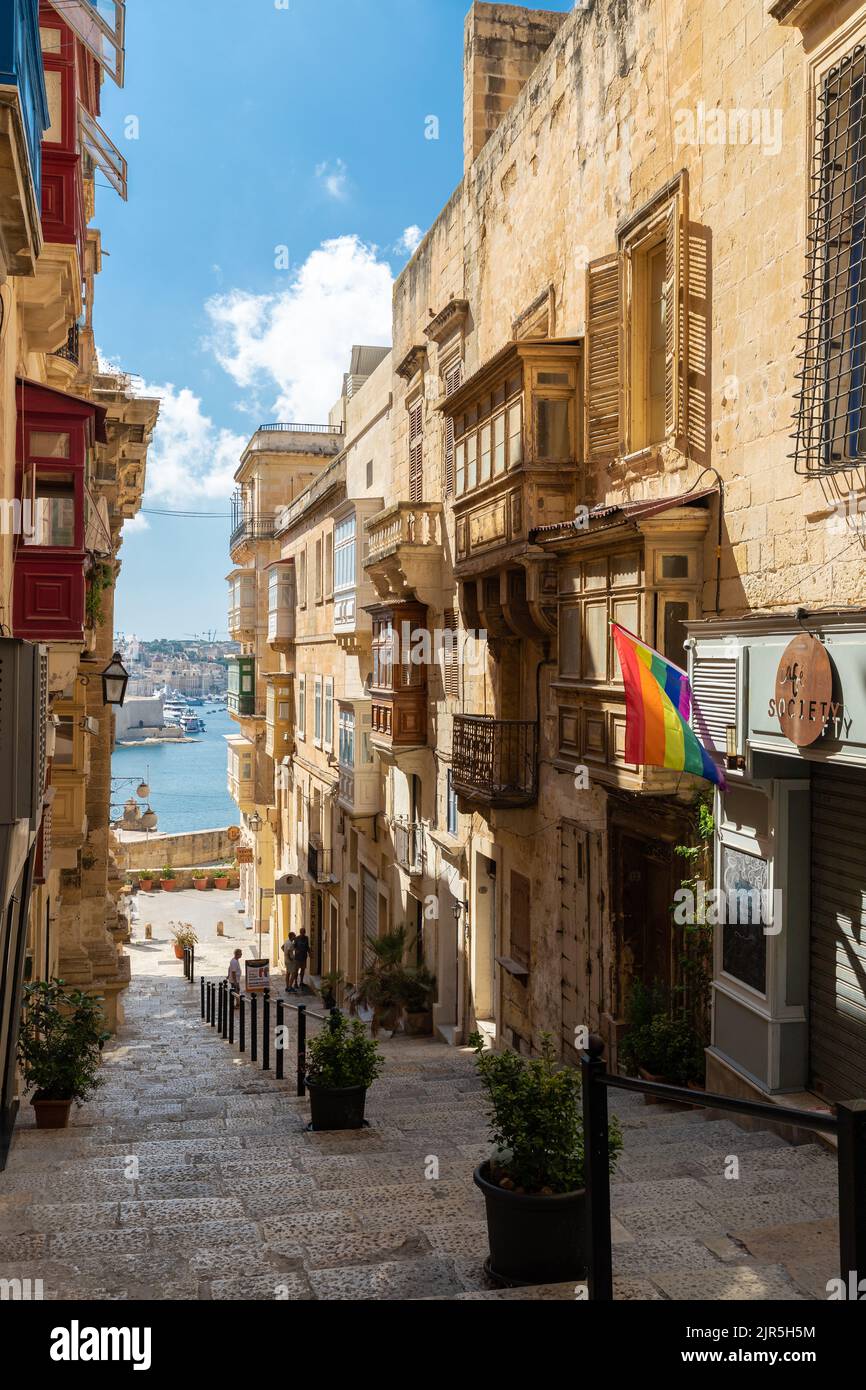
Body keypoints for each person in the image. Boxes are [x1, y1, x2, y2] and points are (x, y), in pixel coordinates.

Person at [293, 927, 310, 991]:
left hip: (304, 956)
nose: (303, 933)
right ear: (300, 932)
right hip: (297, 957)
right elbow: (293, 947)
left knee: (303, 970)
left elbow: (307, 946)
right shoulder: (296, 938)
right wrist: (296, 950)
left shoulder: (306, 938)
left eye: (304, 932)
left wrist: (310, 952)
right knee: (296, 971)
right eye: (302, 932)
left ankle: (301, 982)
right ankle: (295, 983)